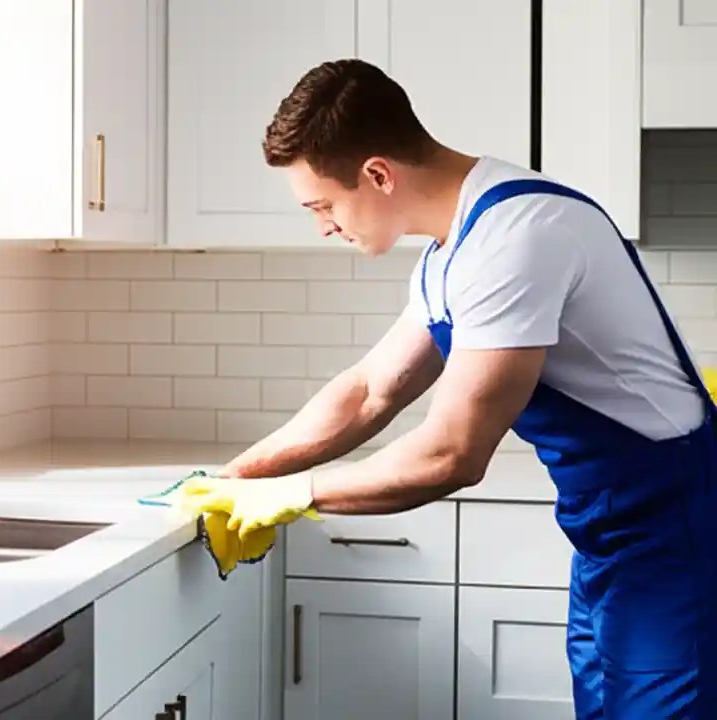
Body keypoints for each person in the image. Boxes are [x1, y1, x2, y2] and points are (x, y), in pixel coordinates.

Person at [179, 58, 715, 718]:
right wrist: (238, 477)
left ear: (377, 174)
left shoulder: (519, 234)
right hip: (613, 543)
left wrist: (292, 496)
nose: (322, 226)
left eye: (322, 205)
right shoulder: (452, 251)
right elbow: (370, 391)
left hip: (683, 536)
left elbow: (451, 456)